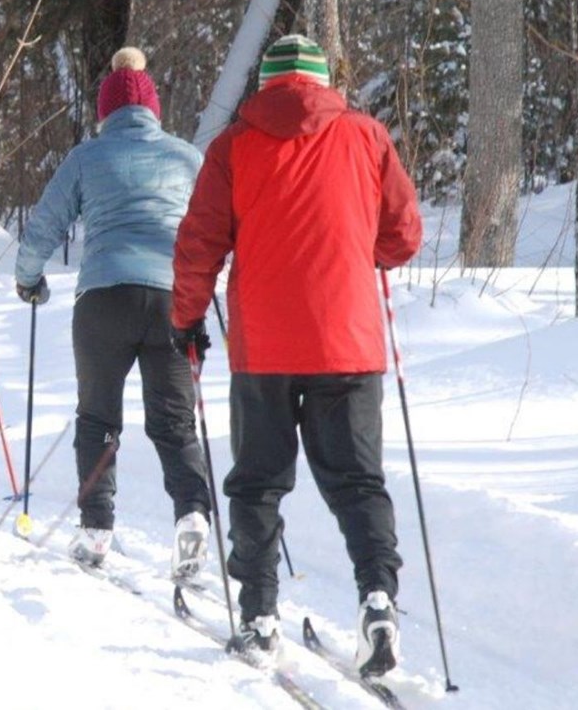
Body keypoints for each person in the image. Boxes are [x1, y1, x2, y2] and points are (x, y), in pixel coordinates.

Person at [169, 35, 422, 676]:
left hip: (265, 347)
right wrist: (369, 249)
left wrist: (186, 319)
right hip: (349, 341)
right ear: (322, 80)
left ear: (268, 82)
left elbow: (200, 243)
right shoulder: (367, 136)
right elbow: (403, 236)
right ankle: (378, 602)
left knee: (258, 482)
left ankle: (258, 618)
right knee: (359, 481)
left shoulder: (232, 145)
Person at [14, 47, 212, 580]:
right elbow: (215, 226)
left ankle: (96, 531)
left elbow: (44, 224)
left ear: (105, 114)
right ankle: (192, 513)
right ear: (154, 112)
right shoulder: (185, 158)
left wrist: (27, 277)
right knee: (174, 421)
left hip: (103, 299)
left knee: (98, 418)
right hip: (171, 298)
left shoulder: (87, 157)